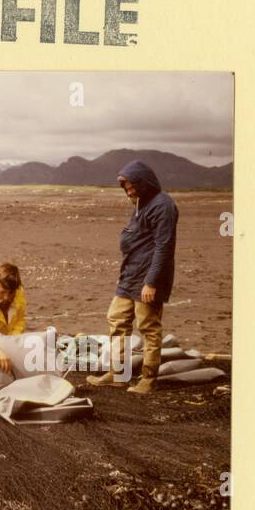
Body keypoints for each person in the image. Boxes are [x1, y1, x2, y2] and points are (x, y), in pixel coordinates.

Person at [87, 160, 177, 394]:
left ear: (142, 181)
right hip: (130, 276)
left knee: (148, 326)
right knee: (117, 319)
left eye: (131, 185)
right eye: (125, 187)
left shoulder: (163, 205)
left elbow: (163, 248)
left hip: (148, 278)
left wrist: (151, 282)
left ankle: (148, 378)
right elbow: (136, 243)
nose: (128, 190)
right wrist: (124, 275)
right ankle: (118, 373)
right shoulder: (140, 205)